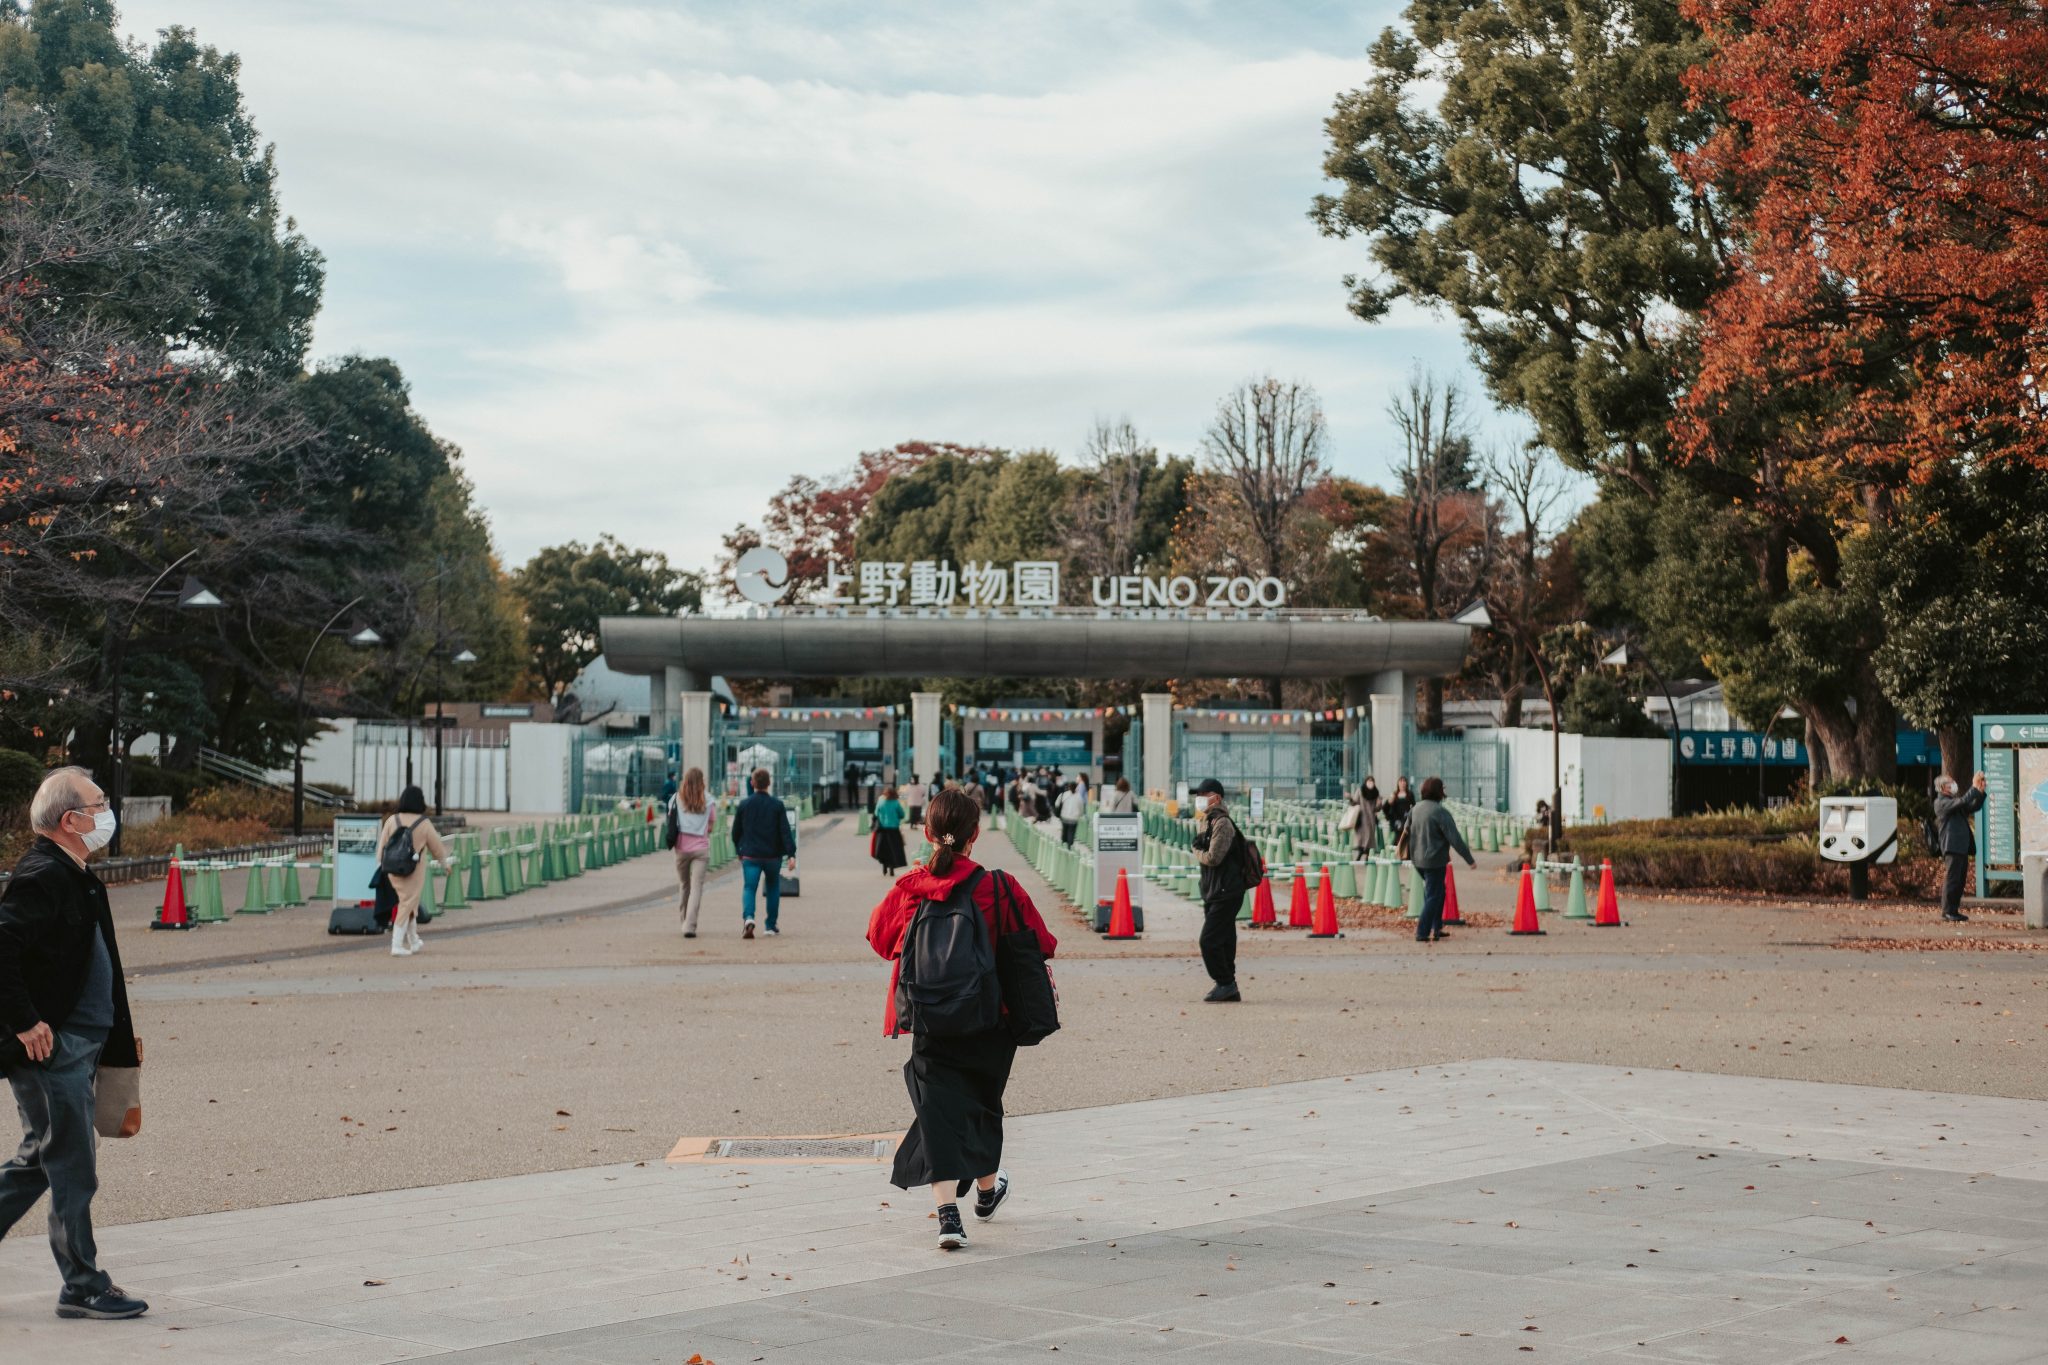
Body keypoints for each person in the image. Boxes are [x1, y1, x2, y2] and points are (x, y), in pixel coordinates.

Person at [865, 789, 1057, 1250]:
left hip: (930, 1018)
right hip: (991, 1018)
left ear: (928, 833)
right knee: (983, 1106)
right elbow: (1043, 943)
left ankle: (948, 1215)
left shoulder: (910, 888)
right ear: (975, 835)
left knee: (937, 1112)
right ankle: (987, 1193)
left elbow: (878, 937)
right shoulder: (999, 886)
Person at [0, 768, 148, 1320]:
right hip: (52, 1050)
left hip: (79, 1042)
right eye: (98, 803)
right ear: (71, 820)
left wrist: (112, 1028)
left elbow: (86, 960)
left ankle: (82, 1283)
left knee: (42, 1160)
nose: (106, 812)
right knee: (70, 1165)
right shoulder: (44, 874)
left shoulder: (73, 871)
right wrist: (25, 1021)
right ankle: (83, 1284)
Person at [1190, 778, 1249, 1003]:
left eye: (1205, 795)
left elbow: (1213, 857)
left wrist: (1196, 851)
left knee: (1209, 940)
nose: (1200, 799)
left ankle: (1225, 982)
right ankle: (1228, 985)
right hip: (1214, 889)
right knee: (1224, 938)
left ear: (1217, 798)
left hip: (1227, 890)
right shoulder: (1207, 820)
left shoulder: (1223, 823)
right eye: (1199, 795)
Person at [377, 786, 451, 957]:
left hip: (392, 870)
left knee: (410, 904)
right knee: (407, 903)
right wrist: (444, 863)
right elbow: (436, 847)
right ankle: (396, 944)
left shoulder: (392, 820)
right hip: (413, 872)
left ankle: (414, 941)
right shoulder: (423, 824)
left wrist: (380, 863)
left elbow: (382, 846)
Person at [1406, 776, 1476, 943]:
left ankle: (1436, 927)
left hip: (1417, 859)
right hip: (1434, 860)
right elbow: (1455, 838)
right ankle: (1422, 931)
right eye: (1443, 789)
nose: (1445, 792)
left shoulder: (1415, 809)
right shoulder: (1440, 812)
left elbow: (1407, 829)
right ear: (1438, 791)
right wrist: (1469, 859)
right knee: (1433, 895)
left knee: (1437, 892)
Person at [730, 767, 797, 938]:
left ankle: (749, 918)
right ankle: (770, 925)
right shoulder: (777, 805)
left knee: (749, 888)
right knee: (773, 887)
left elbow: (736, 832)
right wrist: (791, 854)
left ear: (752, 783)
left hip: (750, 855)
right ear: (769, 783)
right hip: (772, 855)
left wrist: (739, 849)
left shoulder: (744, 805)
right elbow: (785, 832)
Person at [667, 767, 716, 938]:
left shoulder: (675, 799)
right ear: (702, 781)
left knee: (684, 884)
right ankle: (690, 925)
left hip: (681, 849)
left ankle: (683, 920)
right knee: (696, 888)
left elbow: (671, 821)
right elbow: (710, 826)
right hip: (701, 849)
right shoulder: (709, 800)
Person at [1933, 772, 1988, 923]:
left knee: (1960, 880)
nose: (1953, 785)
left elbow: (1971, 806)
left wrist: (1980, 793)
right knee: (1952, 879)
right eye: (1951, 783)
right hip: (1951, 846)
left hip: (1960, 846)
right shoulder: (1941, 803)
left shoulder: (1953, 802)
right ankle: (1947, 911)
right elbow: (1964, 801)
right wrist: (1974, 787)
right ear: (1943, 787)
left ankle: (1954, 910)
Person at [873, 785, 909, 877]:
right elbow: (902, 814)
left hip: (882, 830)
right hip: (894, 829)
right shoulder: (895, 802)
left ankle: (884, 866)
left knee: (883, 849)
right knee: (893, 849)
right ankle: (892, 868)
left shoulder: (881, 800)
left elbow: (876, 813)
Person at [1383, 776, 1415, 844]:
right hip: (1396, 820)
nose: (1402, 783)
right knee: (1397, 840)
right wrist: (1389, 802)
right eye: (1401, 781)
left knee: (1406, 839)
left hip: (1406, 819)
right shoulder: (1394, 794)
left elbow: (1413, 806)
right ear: (1398, 783)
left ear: (1406, 783)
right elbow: (1385, 807)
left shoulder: (1410, 794)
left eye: (1404, 781)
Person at [1055, 781, 1086, 847]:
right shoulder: (1079, 796)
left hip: (1064, 816)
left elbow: (1057, 804)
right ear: (1076, 787)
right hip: (1074, 818)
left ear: (1069, 787)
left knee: (1064, 831)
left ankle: (1063, 844)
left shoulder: (1064, 794)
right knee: (1071, 832)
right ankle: (1069, 846)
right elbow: (1081, 808)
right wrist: (1080, 815)